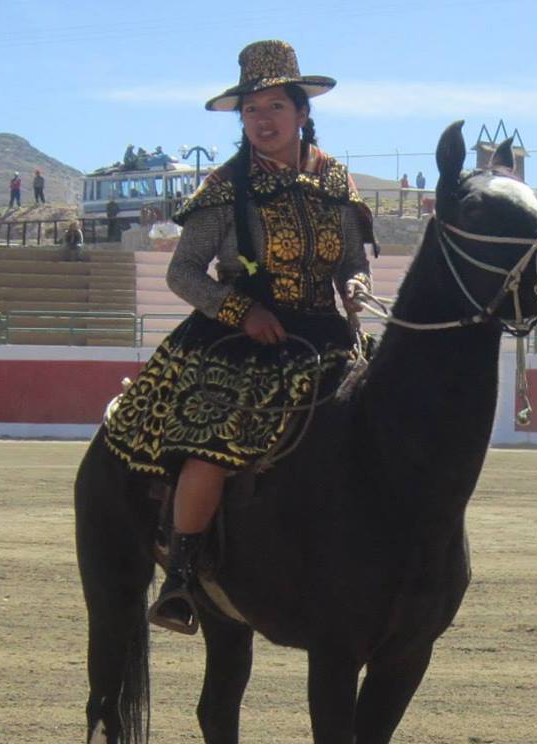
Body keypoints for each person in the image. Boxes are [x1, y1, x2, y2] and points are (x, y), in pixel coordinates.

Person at [104, 39, 376, 634]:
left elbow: (352, 262)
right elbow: (182, 272)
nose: (262, 120)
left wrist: (355, 287)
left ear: (302, 113)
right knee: (213, 440)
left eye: (275, 107)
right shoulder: (226, 188)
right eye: (251, 110)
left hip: (325, 333)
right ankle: (180, 577)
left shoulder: (335, 180)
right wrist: (241, 310)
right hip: (240, 339)